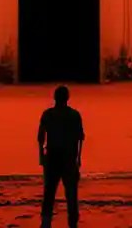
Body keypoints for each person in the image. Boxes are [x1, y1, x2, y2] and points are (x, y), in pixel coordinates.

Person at [37, 84, 84, 227]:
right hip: (69, 158)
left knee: (49, 192)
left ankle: (46, 222)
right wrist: (78, 159)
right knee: (71, 194)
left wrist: (41, 155)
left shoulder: (48, 114)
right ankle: (73, 222)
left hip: (52, 157)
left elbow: (40, 137)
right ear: (67, 98)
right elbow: (80, 138)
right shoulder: (74, 115)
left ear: (55, 98)